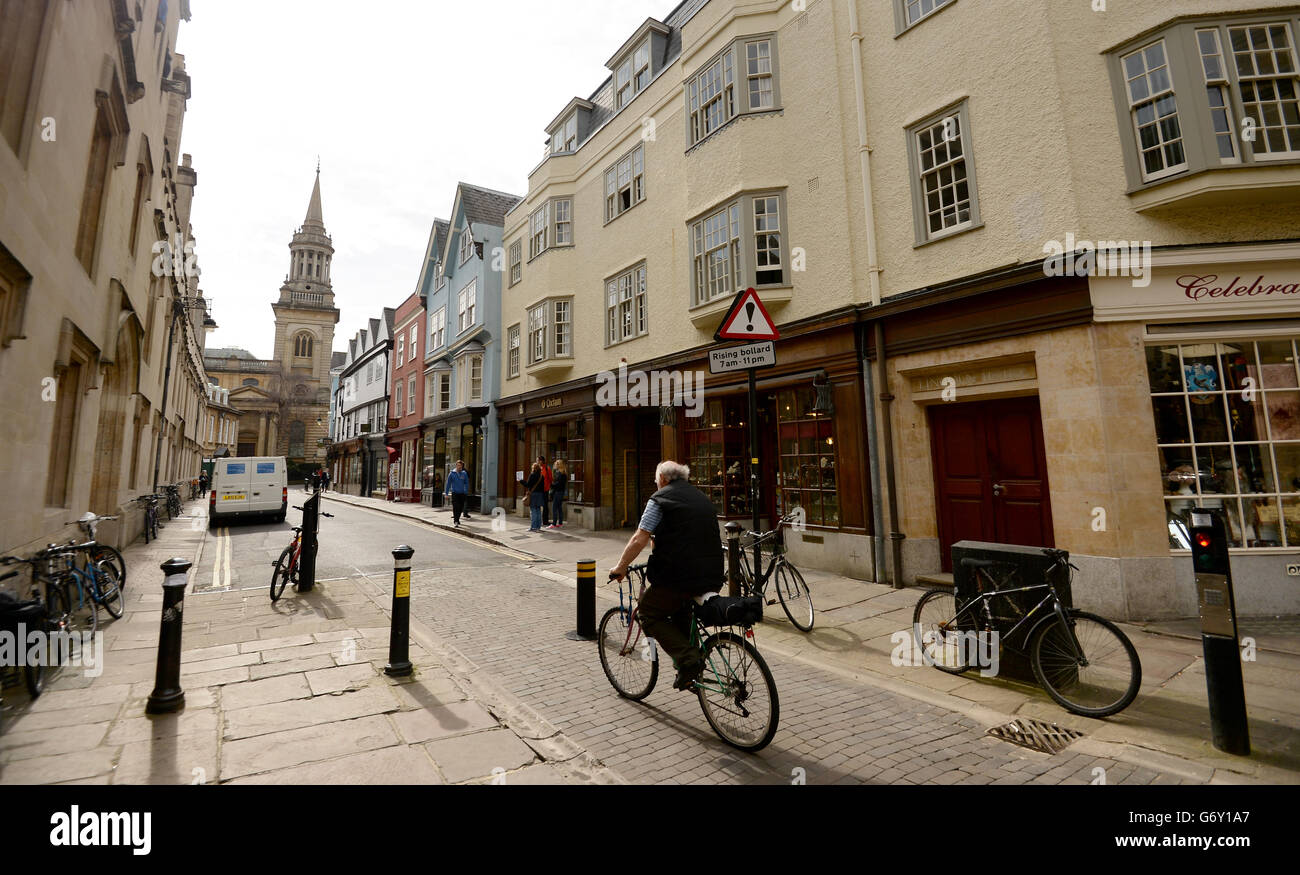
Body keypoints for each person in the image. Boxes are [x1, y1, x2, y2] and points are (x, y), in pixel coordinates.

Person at [610, 461, 723, 691]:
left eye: (655, 481)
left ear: (662, 479)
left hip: (679, 576)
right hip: (711, 573)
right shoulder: (701, 497)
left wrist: (621, 566)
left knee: (648, 612)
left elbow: (639, 538)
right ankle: (690, 670)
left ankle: (688, 659)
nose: (656, 484)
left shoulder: (660, 499)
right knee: (679, 610)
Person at [445, 460, 470, 526]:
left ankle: (457, 519)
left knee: (460, 508)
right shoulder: (452, 473)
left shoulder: (464, 473)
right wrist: (446, 494)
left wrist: (466, 491)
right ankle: (456, 521)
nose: (459, 467)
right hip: (455, 493)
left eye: (460, 466)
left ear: (462, 466)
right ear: (456, 466)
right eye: (458, 465)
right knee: (456, 507)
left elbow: (467, 483)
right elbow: (448, 484)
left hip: (462, 494)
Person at [523, 462, 546, 531]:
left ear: (533, 468)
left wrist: (521, 481)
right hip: (540, 495)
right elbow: (543, 487)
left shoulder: (532, 475)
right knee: (538, 511)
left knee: (533, 511)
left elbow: (527, 485)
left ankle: (533, 527)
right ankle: (538, 527)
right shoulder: (541, 476)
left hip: (533, 495)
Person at [547, 459, 568, 529]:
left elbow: (558, 484)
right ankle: (560, 523)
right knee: (559, 508)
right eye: (556, 463)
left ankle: (554, 524)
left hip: (558, 492)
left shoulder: (561, 474)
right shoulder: (562, 473)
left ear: (559, 465)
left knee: (554, 508)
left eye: (557, 464)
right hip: (560, 492)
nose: (555, 465)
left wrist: (551, 485)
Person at [538, 456, 553, 527]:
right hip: (538, 490)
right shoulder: (538, 469)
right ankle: (538, 520)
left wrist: (548, 486)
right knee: (537, 505)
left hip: (545, 490)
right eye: (537, 460)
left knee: (545, 506)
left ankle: (545, 521)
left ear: (542, 461)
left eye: (539, 460)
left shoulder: (547, 469)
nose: (538, 462)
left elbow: (550, 479)